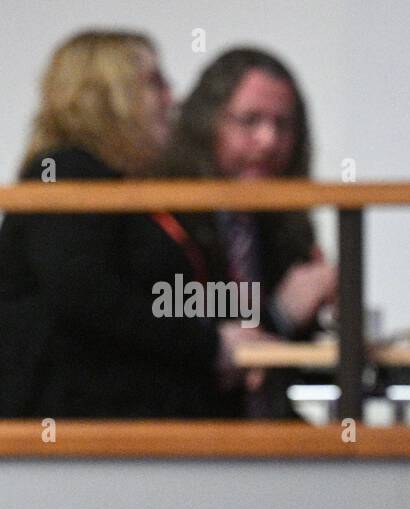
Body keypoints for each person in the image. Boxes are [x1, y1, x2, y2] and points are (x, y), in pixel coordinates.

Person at [0, 30, 268, 418]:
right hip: (79, 434)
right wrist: (211, 346)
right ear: (106, 96)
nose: (171, 99)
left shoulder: (124, 186)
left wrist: (240, 331)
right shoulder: (63, 171)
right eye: (154, 83)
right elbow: (85, 292)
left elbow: (155, 297)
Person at [157, 47, 337, 416]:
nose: (268, 140)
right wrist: (282, 312)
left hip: (270, 435)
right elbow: (187, 335)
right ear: (207, 123)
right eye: (250, 121)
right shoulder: (164, 217)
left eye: (283, 125)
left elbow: (293, 361)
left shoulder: (281, 222)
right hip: (193, 437)